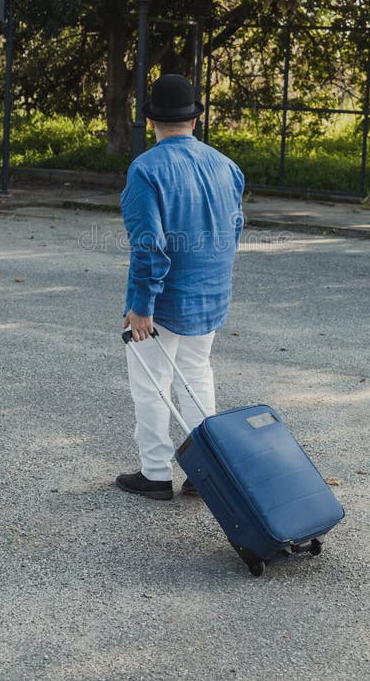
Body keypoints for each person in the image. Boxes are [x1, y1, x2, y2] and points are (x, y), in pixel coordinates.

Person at [117, 73, 245, 500]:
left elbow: (149, 247)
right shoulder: (227, 167)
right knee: (196, 375)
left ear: (152, 120)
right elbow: (234, 231)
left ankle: (155, 473)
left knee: (152, 384)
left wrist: (140, 304)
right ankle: (203, 471)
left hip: (164, 302)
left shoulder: (145, 170)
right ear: (194, 120)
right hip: (210, 296)